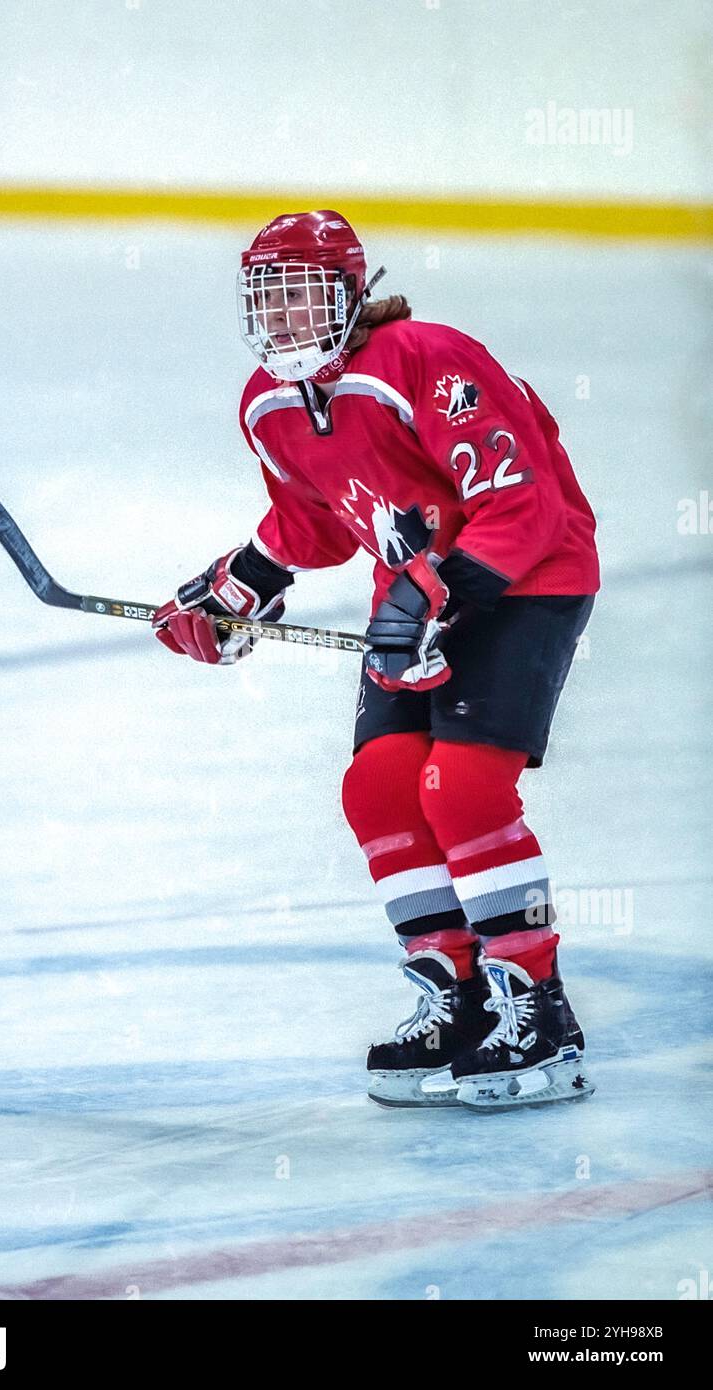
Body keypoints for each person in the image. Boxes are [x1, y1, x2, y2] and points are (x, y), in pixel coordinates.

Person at [153, 210, 599, 1111]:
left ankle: (538, 1009)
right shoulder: (267, 405)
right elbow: (316, 524)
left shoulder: (429, 359)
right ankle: (460, 998)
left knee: (464, 791)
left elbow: (525, 507)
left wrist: (425, 596)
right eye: (268, 300)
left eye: (303, 296)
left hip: (529, 580)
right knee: (381, 788)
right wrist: (236, 586)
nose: (284, 319)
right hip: (420, 596)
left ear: (351, 293)